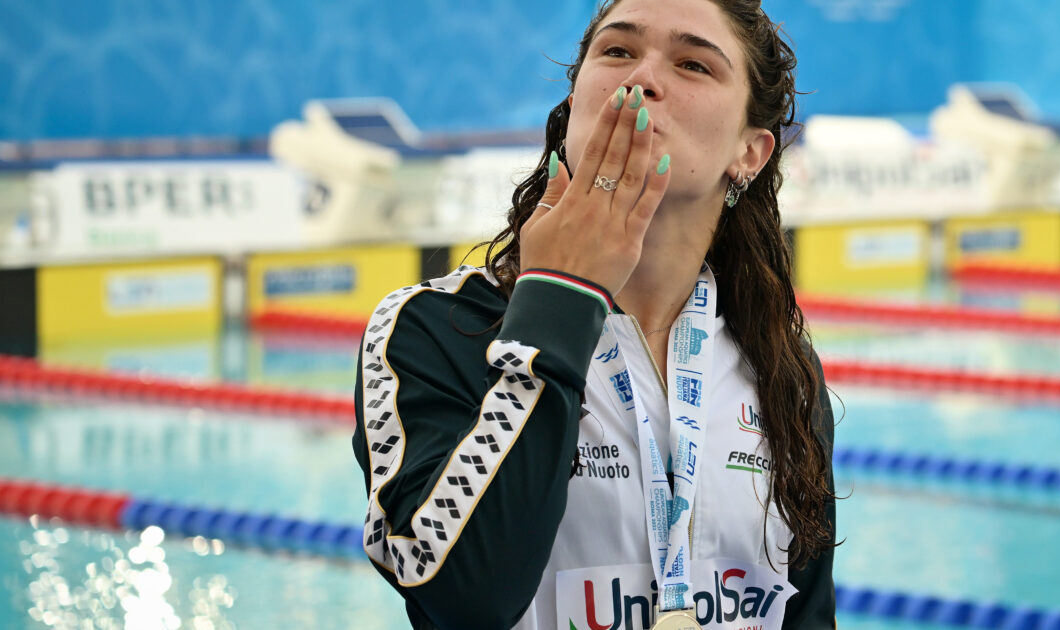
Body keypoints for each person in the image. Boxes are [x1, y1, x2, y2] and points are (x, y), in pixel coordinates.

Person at [353, 0, 838, 628]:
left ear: (751, 151)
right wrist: (562, 295)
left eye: (693, 64)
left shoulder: (779, 366)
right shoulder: (431, 329)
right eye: (617, 52)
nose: (641, 80)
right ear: (575, 99)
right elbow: (463, 597)